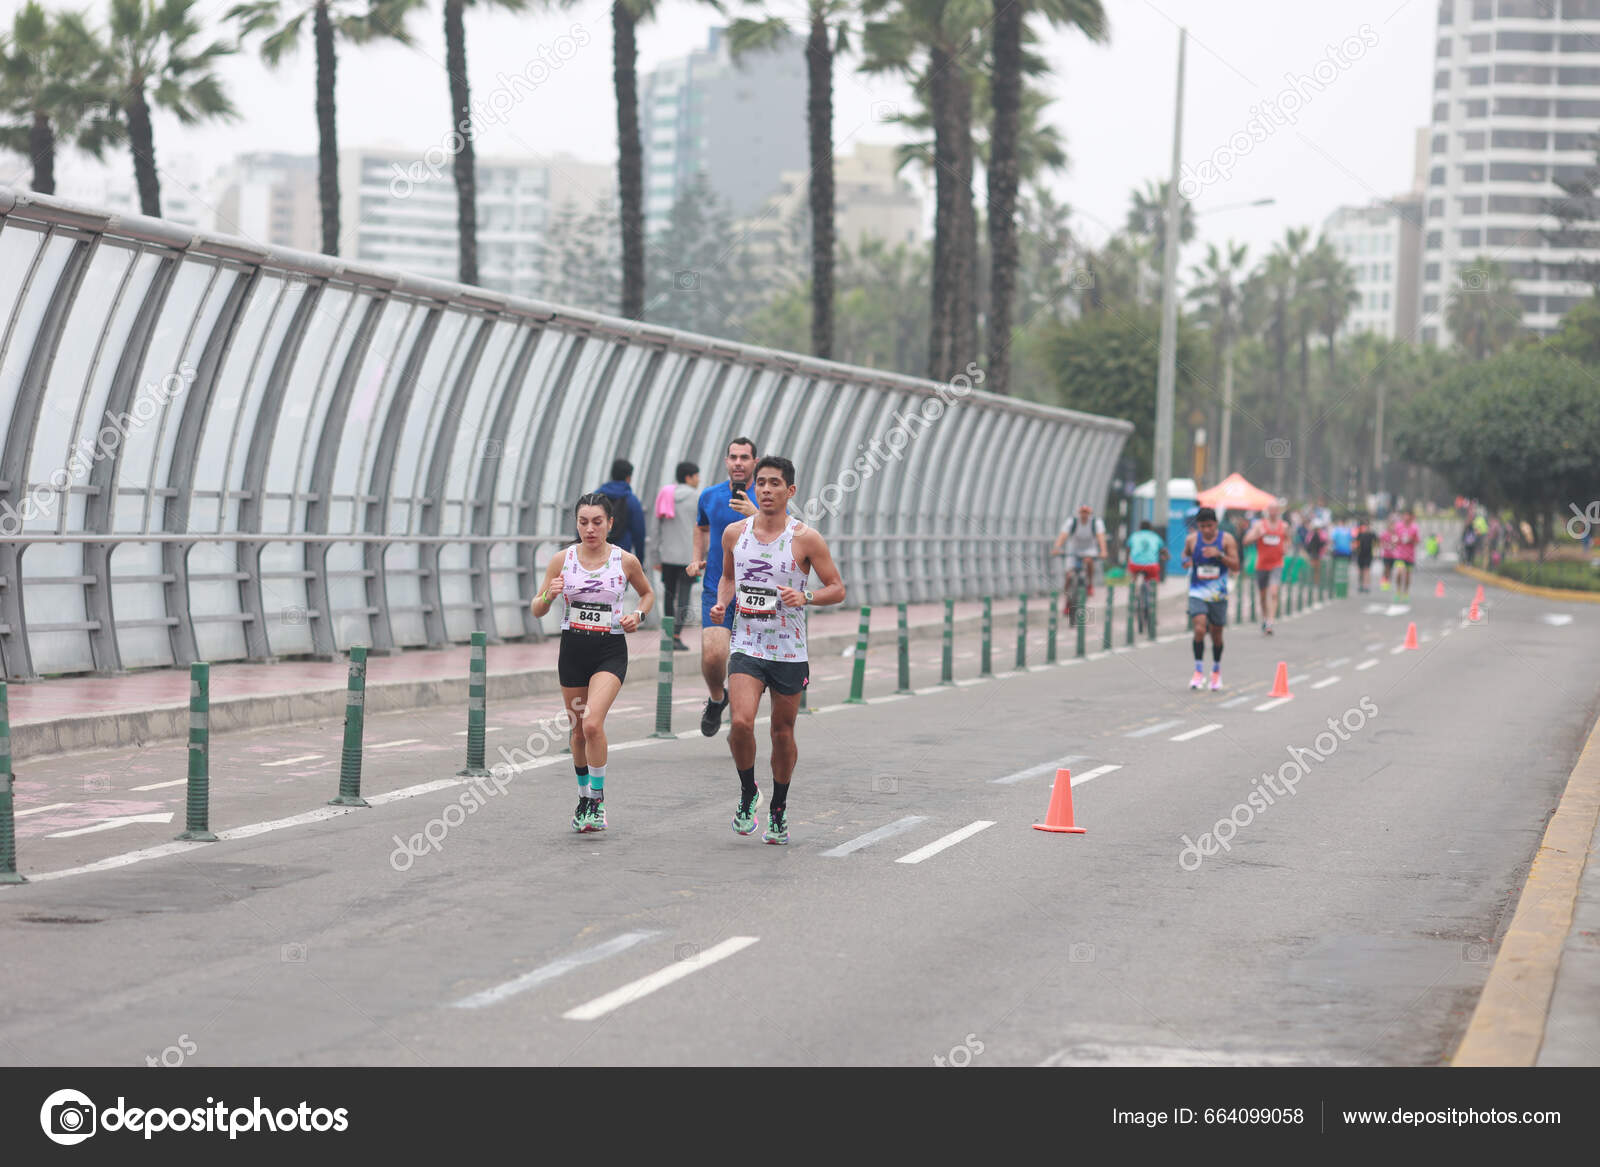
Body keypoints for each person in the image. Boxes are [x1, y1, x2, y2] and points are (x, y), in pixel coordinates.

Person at [709, 456, 846, 846]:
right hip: (747, 644)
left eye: (775, 483)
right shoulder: (735, 534)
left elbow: (837, 588)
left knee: (782, 732)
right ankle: (748, 791)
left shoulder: (806, 538)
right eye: (762, 483)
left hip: (788, 650)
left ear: (790, 490)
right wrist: (722, 603)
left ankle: (779, 808)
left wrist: (806, 596)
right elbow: (728, 577)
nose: (766, 490)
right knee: (740, 723)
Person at [530, 493, 655, 834]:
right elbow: (537, 608)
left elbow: (647, 594)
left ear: (610, 524)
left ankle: (597, 800)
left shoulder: (625, 561)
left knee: (592, 724)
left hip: (609, 651)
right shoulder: (562, 559)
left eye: (597, 522)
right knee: (576, 730)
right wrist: (549, 595)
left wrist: (637, 616)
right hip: (573, 650)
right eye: (583, 522)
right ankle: (584, 796)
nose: (590, 529)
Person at [688, 437, 759, 736]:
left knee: (751, 666)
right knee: (714, 655)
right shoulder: (709, 495)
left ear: (754, 462)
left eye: (745, 457)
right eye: (734, 457)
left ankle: (742, 725)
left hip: (758, 592)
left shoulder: (766, 496)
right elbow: (701, 527)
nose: (738, 463)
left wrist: (755, 513)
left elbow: (785, 532)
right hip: (717, 587)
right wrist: (696, 558)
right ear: (726, 461)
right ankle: (718, 698)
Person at [1182, 506, 1239, 691]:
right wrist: (1186, 562)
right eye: (1202, 526)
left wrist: (1219, 555)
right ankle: (1198, 671)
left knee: (1216, 634)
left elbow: (1236, 566)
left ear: (1216, 524)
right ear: (1198, 526)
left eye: (1210, 526)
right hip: (1197, 592)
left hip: (1218, 594)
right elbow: (1185, 556)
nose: (1206, 530)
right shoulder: (1192, 539)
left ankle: (1216, 670)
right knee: (1199, 629)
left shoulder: (1227, 540)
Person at [649, 461, 700, 651]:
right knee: (684, 596)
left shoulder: (665, 495)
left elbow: (655, 529)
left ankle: (668, 635)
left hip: (668, 557)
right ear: (689, 477)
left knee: (669, 596)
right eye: (696, 476)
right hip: (689, 558)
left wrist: (655, 556)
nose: (698, 480)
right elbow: (703, 529)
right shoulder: (697, 498)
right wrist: (702, 556)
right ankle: (677, 636)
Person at [1050, 503, 1109, 615]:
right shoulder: (1072, 522)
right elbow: (1063, 535)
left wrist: (1103, 551)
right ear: (1079, 513)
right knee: (1069, 575)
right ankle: (1067, 601)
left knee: (1089, 561)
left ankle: (1090, 583)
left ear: (1090, 513)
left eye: (1086, 512)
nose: (1084, 515)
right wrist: (1057, 548)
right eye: (1082, 512)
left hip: (1089, 549)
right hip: (1074, 549)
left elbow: (1101, 537)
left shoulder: (1096, 523)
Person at [1243, 502, 1289, 634]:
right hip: (1262, 564)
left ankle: (1270, 622)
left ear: (1278, 511)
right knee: (1263, 596)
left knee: (1274, 592)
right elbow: (1245, 541)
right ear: (1267, 511)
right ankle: (1264, 618)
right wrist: (1258, 535)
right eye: (1271, 510)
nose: (1273, 512)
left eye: (1275, 510)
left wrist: (1286, 547)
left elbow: (1287, 540)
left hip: (1277, 564)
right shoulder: (1259, 525)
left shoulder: (1284, 526)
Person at [596, 458, 647, 567]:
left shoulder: (596, 496)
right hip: (621, 558)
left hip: (596, 554)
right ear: (628, 478)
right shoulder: (632, 500)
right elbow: (639, 534)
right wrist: (639, 561)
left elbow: (583, 523)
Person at [1391, 508, 1419, 599]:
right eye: (1405, 515)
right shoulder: (1398, 526)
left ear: (1411, 517)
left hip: (1410, 555)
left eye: (1408, 515)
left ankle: (1406, 592)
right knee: (1399, 572)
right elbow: (1394, 537)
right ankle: (1398, 591)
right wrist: (1395, 541)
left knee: (1407, 574)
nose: (1406, 517)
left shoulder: (1414, 528)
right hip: (1399, 554)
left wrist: (1411, 540)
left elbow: (1417, 541)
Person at [1355, 519, 1378, 593]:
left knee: (1367, 570)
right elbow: (1356, 543)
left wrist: (1375, 552)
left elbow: (1376, 543)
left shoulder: (1372, 534)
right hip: (1360, 554)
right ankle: (1361, 585)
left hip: (1368, 554)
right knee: (1360, 571)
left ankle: (1366, 586)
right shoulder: (1360, 534)